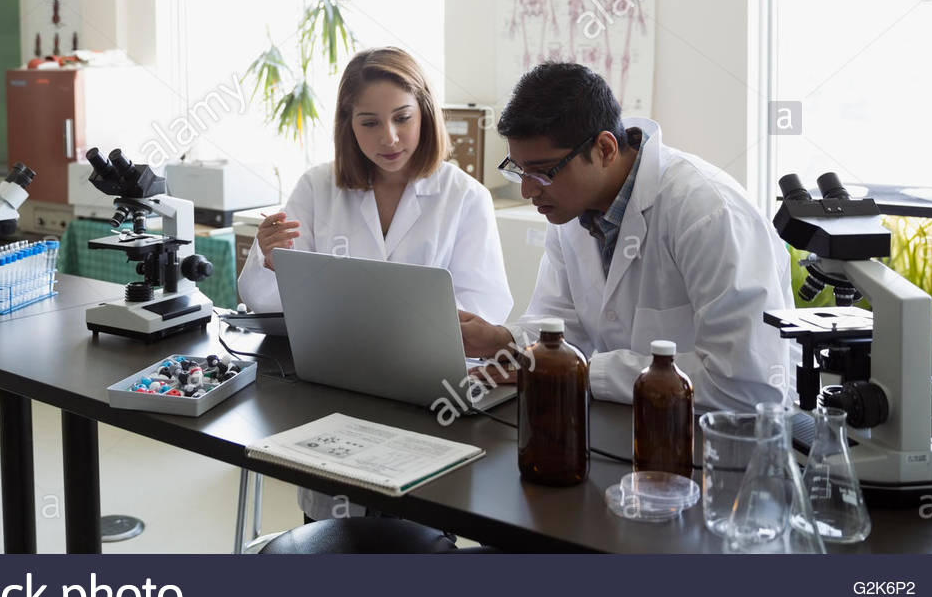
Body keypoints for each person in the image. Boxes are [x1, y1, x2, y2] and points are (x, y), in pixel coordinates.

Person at [238, 46, 512, 522]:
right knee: (333, 531)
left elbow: (483, 308)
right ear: (348, 124)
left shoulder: (465, 197)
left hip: (428, 400)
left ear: (425, 112)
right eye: (369, 123)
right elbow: (263, 303)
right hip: (334, 391)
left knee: (419, 531)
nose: (389, 137)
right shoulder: (317, 187)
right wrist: (268, 258)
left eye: (403, 118)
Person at [459, 62, 791, 411]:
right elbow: (561, 325)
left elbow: (745, 383)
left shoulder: (708, 212)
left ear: (604, 149)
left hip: (724, 438)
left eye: (542, 172)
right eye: (519, 170)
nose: (527, 190)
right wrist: (504, 341)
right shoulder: (569, 211)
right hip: (629, 422)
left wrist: (580, 372)